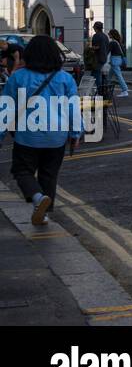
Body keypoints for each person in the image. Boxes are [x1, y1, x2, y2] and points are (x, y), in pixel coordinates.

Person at [2, 35, 82, 226]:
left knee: (22, 171)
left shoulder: (18, 78)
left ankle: (38, 200)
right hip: (57, 136)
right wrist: (76, 133)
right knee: (49, 175)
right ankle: (44, 214)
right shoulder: (65, 78)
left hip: (27, 137)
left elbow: (5, 108)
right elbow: (73, 107)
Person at [106, 28, 130, 98]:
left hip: (114, 60)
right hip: (118, 59)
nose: (108, 34)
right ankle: (106, 89)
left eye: (109, 33)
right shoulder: (118, 42)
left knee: (119, 76)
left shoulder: (113, 42)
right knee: (109, 76)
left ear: (112, 34)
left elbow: (107, 51)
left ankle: (124, 90)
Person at [89, 20, 110, 93]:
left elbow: (96, 47)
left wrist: (90, 49)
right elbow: (108, 47)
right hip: (104, 57)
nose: (93, 29)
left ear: (96, 28)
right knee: (99, 74)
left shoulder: (96, 36)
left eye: (94, 27)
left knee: (96, 75)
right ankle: (104, 90)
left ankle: (100, 91)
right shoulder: (105, 36)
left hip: (97, 58)